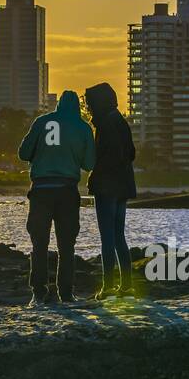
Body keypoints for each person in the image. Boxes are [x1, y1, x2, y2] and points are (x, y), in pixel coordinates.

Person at [17, 90, 96, 306]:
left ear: (59, 105)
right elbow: (89, 164)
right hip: (67, 191)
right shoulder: (83, 127)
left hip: (41, 190)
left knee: (39, 243)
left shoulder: (42, 122)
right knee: (67, 245)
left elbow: (23, 153)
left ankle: (38, 294)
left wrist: (41, 154)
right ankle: (67, 294)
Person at [84, 82, 137, 299]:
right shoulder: (120, 120)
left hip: (107, 188)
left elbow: (109, 157)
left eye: (89, 103)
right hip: (123, 186)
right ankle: (127, 285)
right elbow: (130, 153)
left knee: (107, 237)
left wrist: (95, 176)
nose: (88, 107)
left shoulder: (106, 123)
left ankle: (108, 287)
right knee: (118, 237)